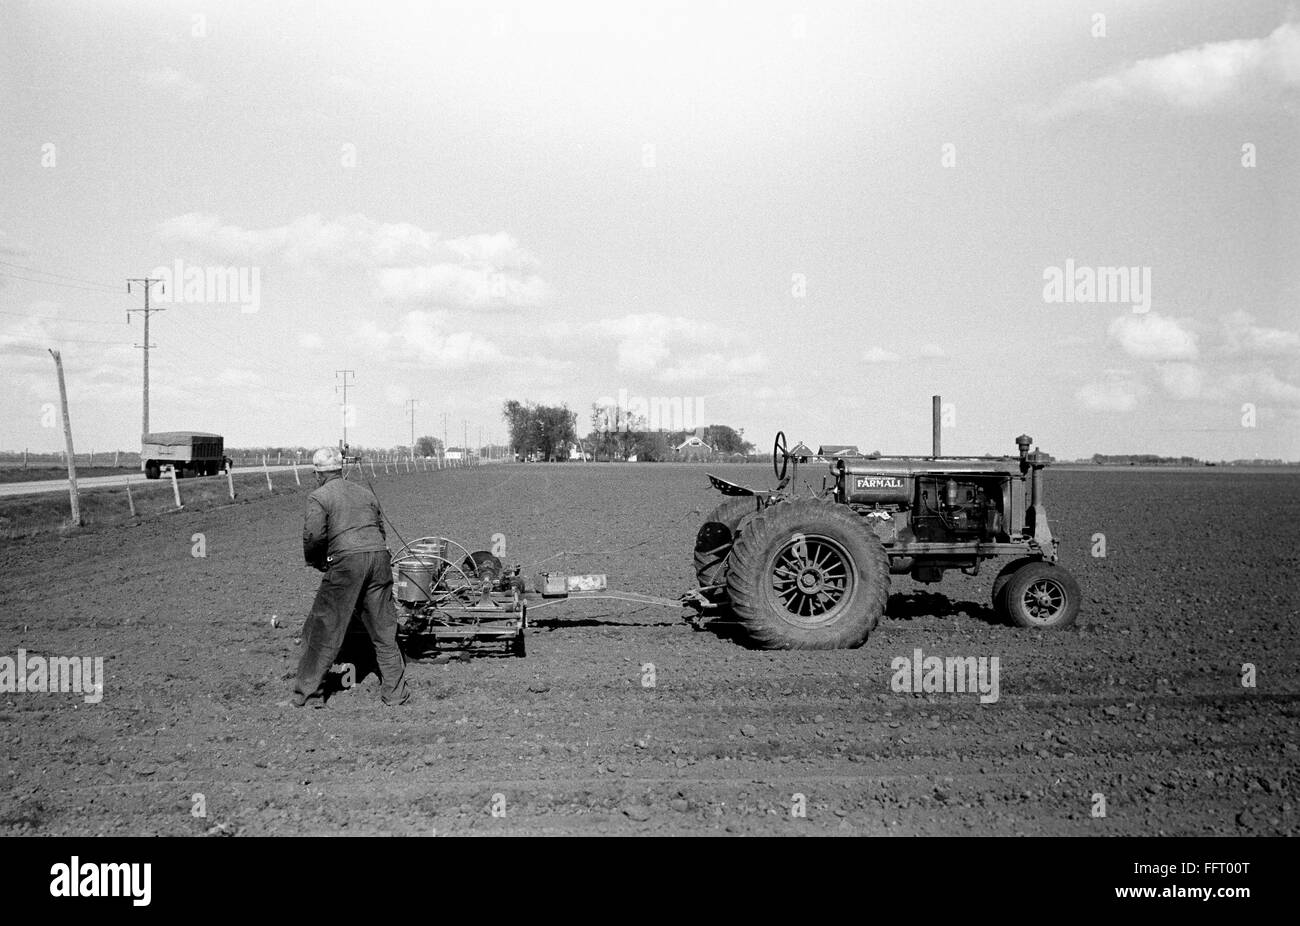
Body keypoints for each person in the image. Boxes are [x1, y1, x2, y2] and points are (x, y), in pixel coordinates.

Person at [292, 446, 409, 707]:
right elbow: (379, 530)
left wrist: (316, 561)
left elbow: (314, 536)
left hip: (347, 563)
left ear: (317, 473)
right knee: (384, 629)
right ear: (341, 469)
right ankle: (396, 694)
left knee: (323, 628)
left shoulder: (319, 497)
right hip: (379, 559)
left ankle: (309, 695)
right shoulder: (365, 493)